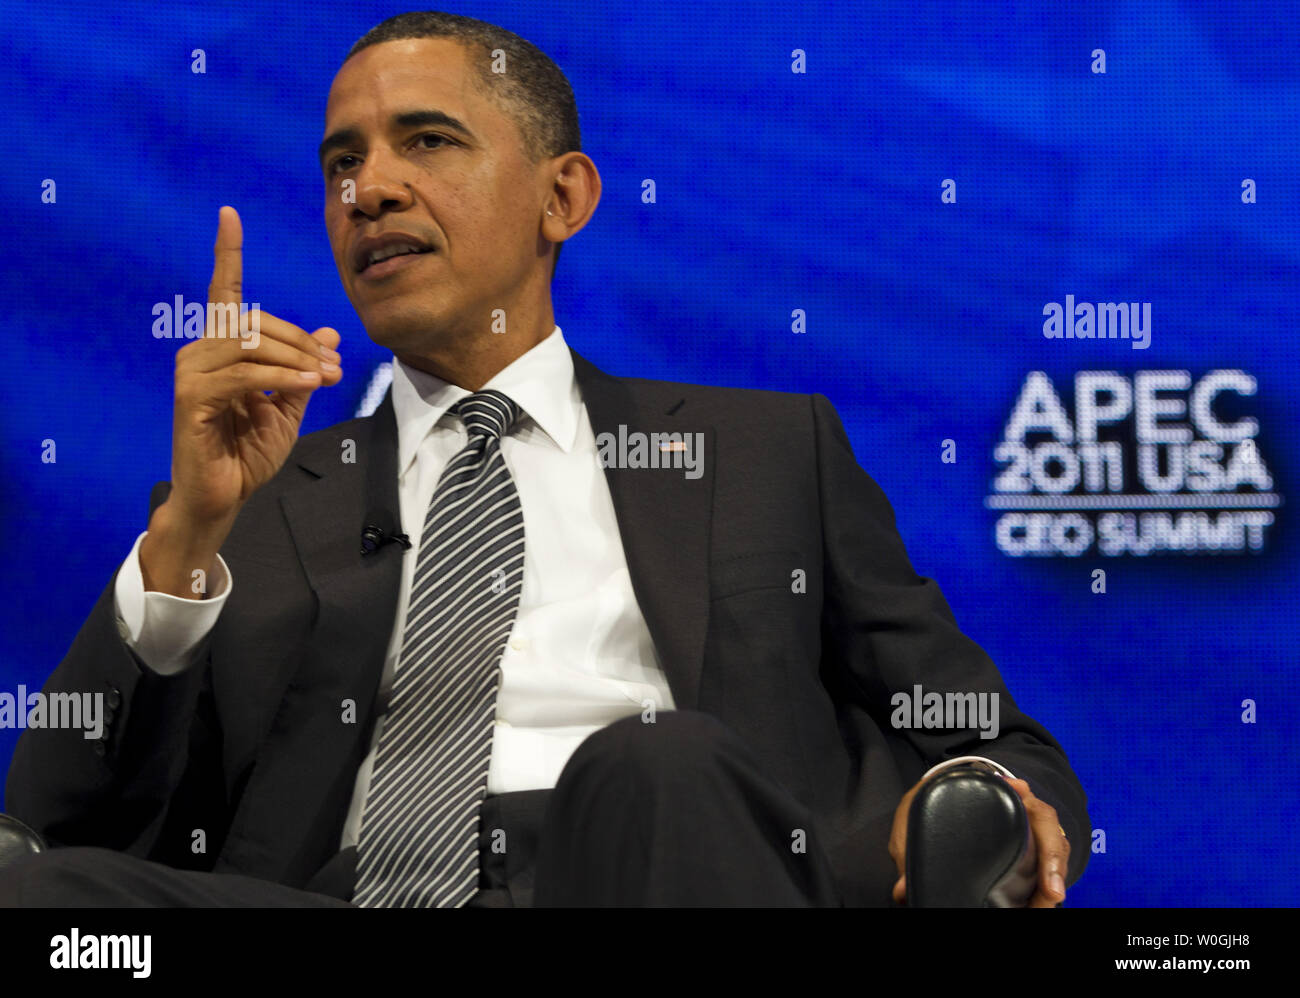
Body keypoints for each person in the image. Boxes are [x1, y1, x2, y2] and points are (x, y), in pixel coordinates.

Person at [2, 11, 1087, 908]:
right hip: (343, 896)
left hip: (660, 858)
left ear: (561, 197)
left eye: (425, 141)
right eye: (343, 161)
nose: (368, 189)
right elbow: (60, 822)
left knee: (654, 760)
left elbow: (988, 741)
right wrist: (187, 536)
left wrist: (983, 786)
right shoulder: (254, 497)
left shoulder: (765, 454)